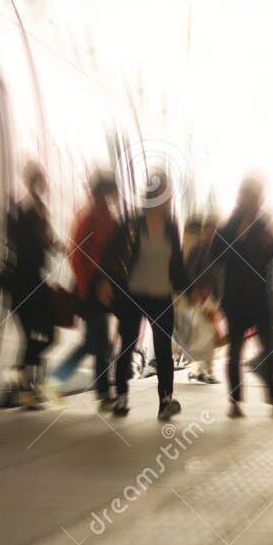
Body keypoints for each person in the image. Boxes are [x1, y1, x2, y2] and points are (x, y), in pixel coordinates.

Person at [106, 173, 187, 420]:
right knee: (127, 345)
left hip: (162, 295)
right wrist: (105, 282)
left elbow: (177, 263)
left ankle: (166, 400)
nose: (168, 197)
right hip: (134, 295)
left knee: (163, 349)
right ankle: (121, 398)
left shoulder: (171, 226)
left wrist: (188, 288)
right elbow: (110, 254)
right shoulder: (132, 224)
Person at [212, 178, 273, 419]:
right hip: (235, 298)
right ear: (242, 197)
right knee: (235, 351)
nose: (254, 201)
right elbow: (216, 255)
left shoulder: (264, 225)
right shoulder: (228, 225)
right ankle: (235, 402)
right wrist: (234, 238)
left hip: (259, 297)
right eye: (250, 196)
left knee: (269, 349)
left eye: (257, 197)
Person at [50, 173, 120, 410]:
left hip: (101, 289)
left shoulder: (106, 216)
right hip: (89, 291)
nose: (115, 196)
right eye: (111, 190)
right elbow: (76, 254)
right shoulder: (90, 216)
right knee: (99, 344)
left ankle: (54, 382)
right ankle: (103, 396)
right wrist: (87, 285)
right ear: (104, 191)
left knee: (94, 343)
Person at [4, 161, 58, 409]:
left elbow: (44, 243)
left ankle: (22, 383)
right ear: (34, 182)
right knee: (39, 336)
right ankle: (26, 389)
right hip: (26, 283)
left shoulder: (36, 212)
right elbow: (32, 245)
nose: (45, 185)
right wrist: (48, 241)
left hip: (31, 282)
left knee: (40, 337)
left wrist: (51, 242)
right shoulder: (25, 213)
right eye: (42, 180)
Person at [181, 215, 223, 383]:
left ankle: (203, 369)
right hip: (201, 298)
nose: (210, 232)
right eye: (208, 229)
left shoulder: (218, 248)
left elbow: (220, 273)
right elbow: (190, 272)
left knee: (209, 334)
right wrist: (195, 290)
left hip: (212, 297)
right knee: (203, 334)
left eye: (213, 229)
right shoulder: (199, 249)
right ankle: (202, 370)